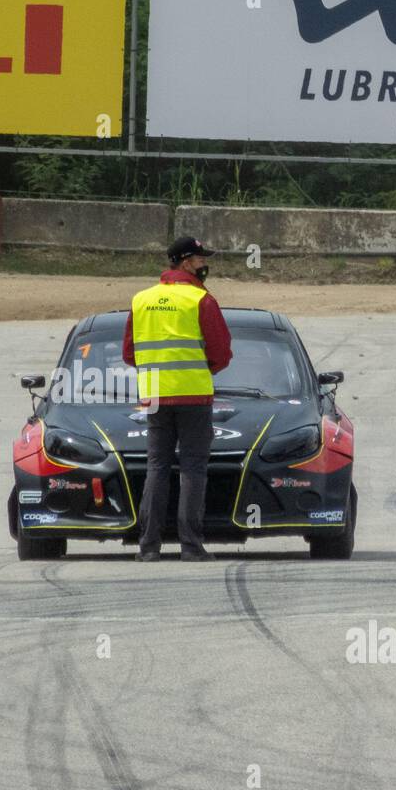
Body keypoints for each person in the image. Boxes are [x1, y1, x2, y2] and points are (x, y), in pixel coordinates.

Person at [122, 237, 233, 562]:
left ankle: (149, 546)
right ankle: (191, 545)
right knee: (193, 468)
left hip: (156, 395)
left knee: (156, 467)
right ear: (185, 262)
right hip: (194, 395)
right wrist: (200, 369)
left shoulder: (142, 300)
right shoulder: (200, 299)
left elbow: (129, 354)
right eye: (201, 259)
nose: (205, 265)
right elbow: (221, 352)